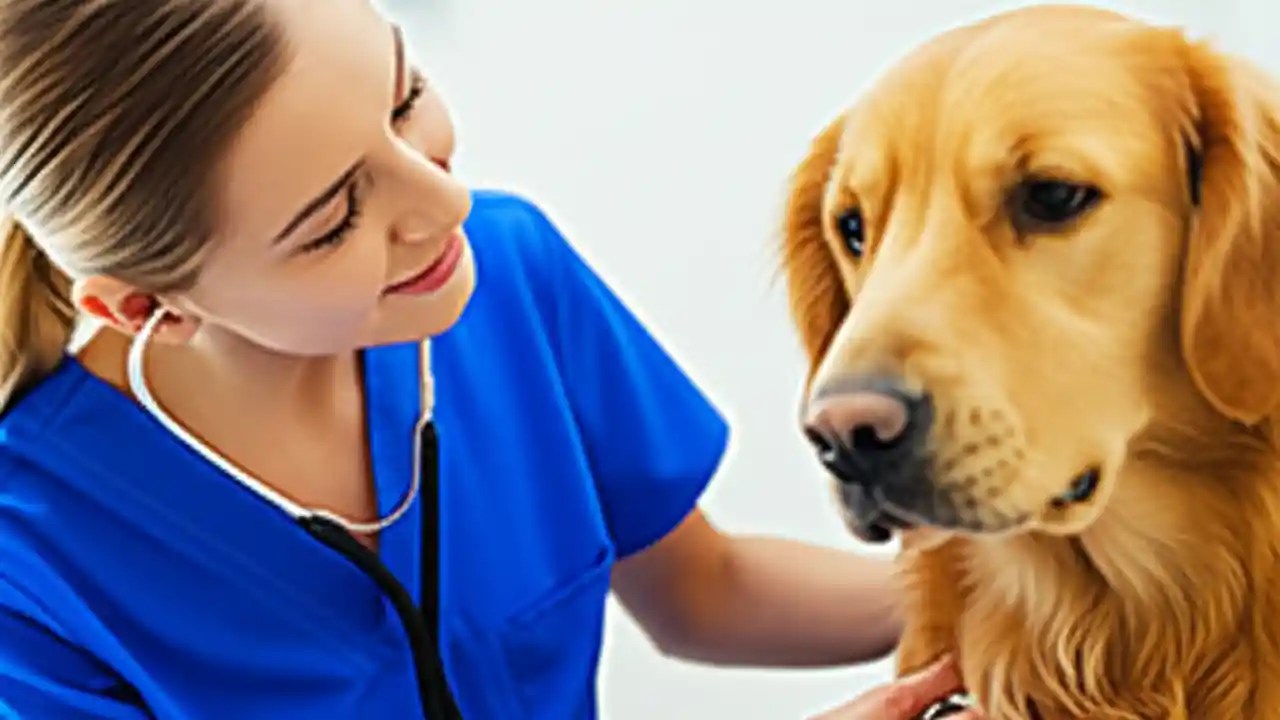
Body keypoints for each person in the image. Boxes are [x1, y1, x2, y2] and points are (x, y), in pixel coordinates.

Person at [0, 1, 969, 717]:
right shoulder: (30, 563)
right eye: (334, 221)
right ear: (145, 308)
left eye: (403, 97)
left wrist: (1009, 583)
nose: (441, 204)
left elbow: (701, 593)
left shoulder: (508, 275)